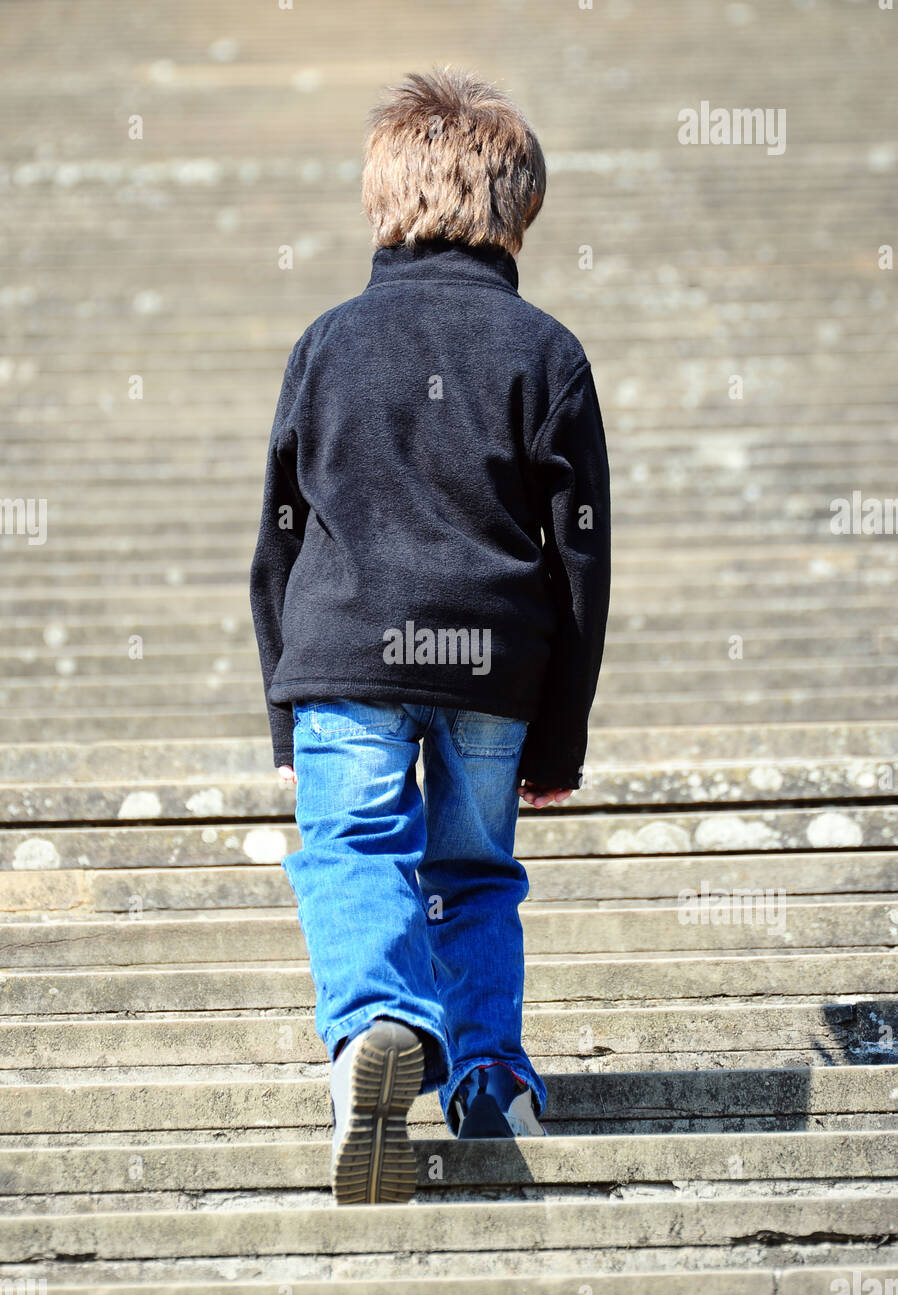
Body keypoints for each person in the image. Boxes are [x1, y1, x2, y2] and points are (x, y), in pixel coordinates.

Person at [250, 66, 610, 1204]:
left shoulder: (326, 344)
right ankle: (490, 1074)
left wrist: (286, 705)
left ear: (379, 199)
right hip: (495, 668)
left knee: (354, 848)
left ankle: (374, 1028)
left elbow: (280, 533)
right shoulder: (546, 353)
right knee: (471, 872)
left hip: (346, 653)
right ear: (519, 211)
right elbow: (582, 562)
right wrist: (560, 736)